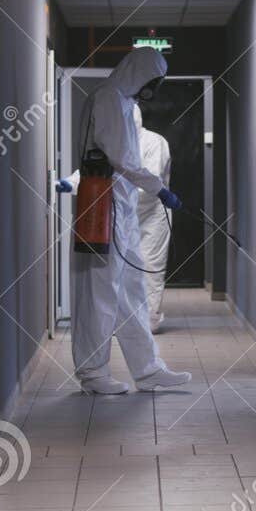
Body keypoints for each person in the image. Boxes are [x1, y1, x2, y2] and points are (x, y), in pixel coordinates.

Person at [55, 48, 190, 395]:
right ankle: (93, 373)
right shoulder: (108, 100)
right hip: (103, 211)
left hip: (122, 213)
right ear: (138, 73)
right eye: (152, 82)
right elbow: (121, 159)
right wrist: (160, 190)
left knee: (132, 295)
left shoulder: (125, 103)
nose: (153, 89)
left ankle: (148, 370)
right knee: (98, 294)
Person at [134, 105, 173, 332]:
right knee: (124, 268)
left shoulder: (154, 142)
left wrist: (114, 190)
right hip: (127, 214)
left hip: (154, 215)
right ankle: (129, 320)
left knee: (150, 267)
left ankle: (149, 321)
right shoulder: (117, 146)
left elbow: (151, 182)